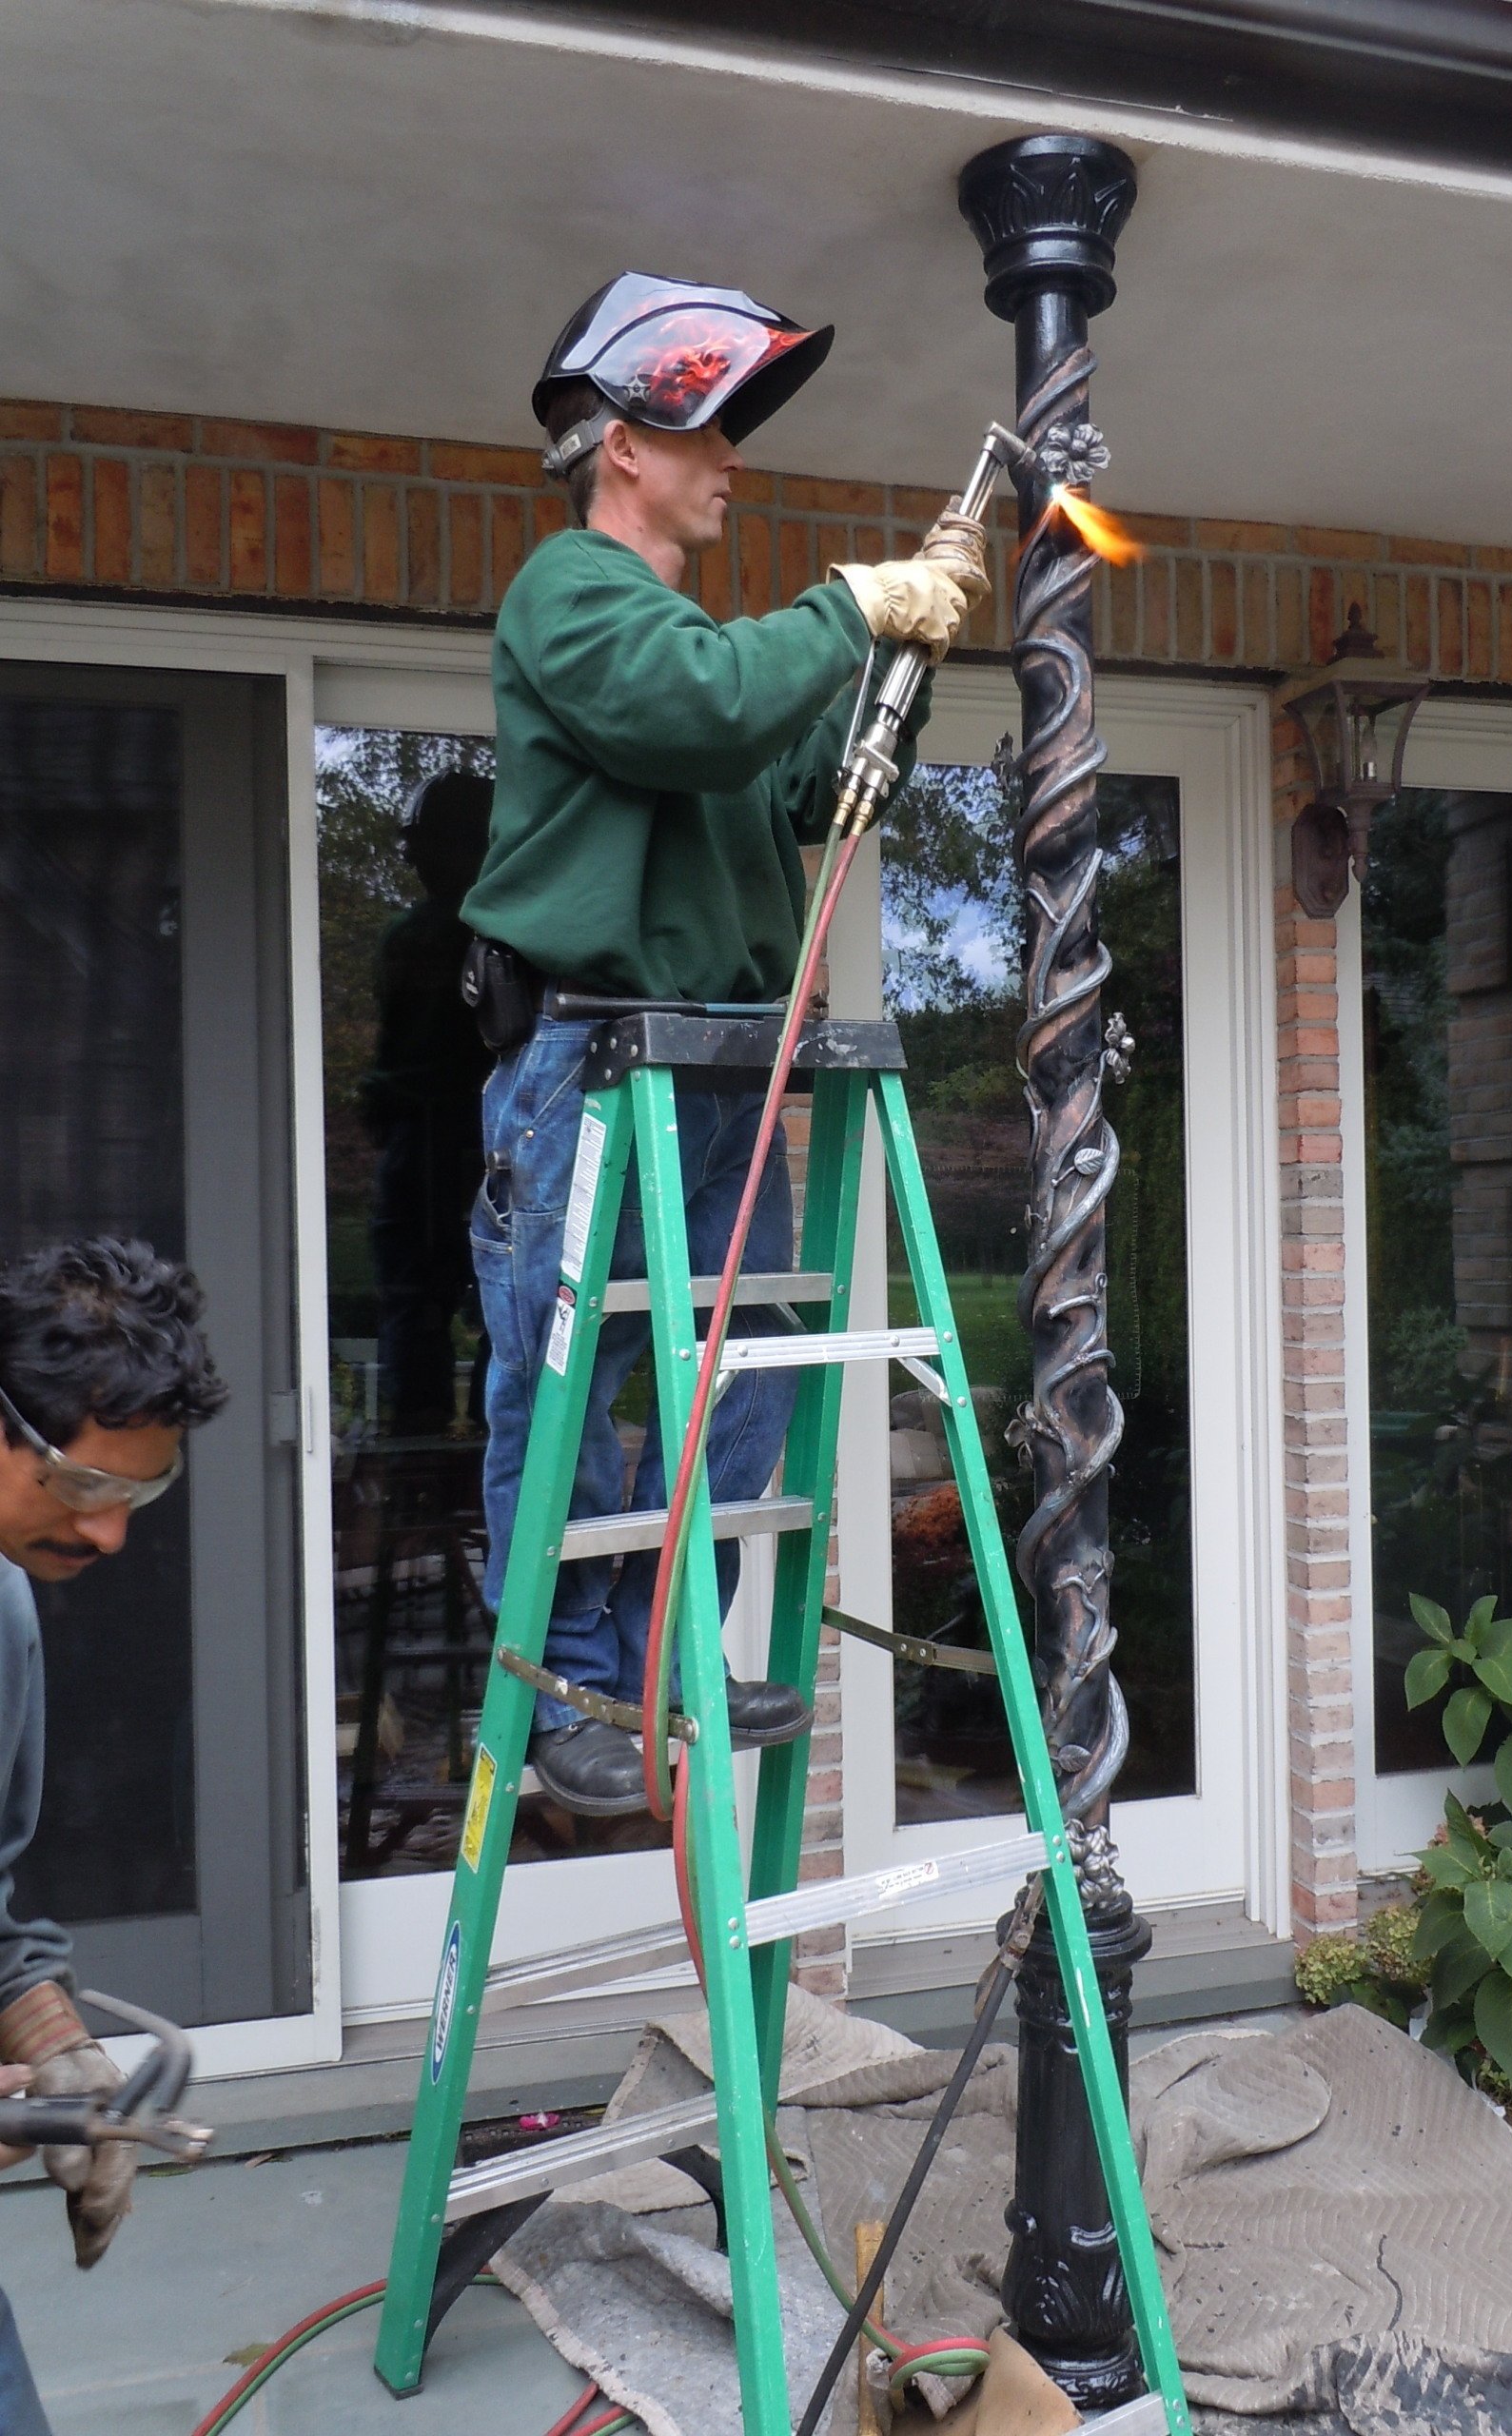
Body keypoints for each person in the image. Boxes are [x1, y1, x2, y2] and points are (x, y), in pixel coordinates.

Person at [461, 272, 989, 1815]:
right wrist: (846, 607)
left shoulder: (695, 648)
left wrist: (904, 662)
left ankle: (659, 1661)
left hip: (722, 1064)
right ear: (625, 441)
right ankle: (568, 1691)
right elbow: (694, 713)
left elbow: (800, 779)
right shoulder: (573, 597)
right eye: (709, 434)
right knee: (576, 1376)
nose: (733, 463)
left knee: (735, 1383)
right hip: (593, 1070)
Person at [0, 1237, 227, 2435]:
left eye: (139, 1497)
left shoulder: (3, 1615)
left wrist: (54, 2039)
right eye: (88, 1488)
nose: (110, 1537)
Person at [363, 767, 496, 1434]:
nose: (412, 861)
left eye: (423, 844)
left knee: (418, 1301)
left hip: (444, 1145)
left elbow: (407, 1057)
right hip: (468, 1144)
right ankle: (469, 1451)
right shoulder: (502, 938)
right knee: (497, 1302)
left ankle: (426, 1445)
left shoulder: (429, 938)